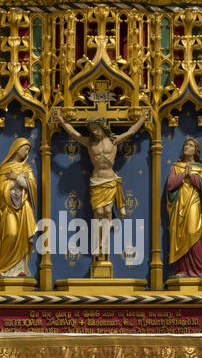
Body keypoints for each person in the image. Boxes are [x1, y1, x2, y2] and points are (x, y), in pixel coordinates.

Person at [51, 108, 148, 258]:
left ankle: (105, 244)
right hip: (96, 180)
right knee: (99, 212)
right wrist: (60, 119)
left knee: (108, 212)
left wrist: (142, 119)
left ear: (103, 128)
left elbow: (130, 132)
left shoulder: (113, 140)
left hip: (109, 179)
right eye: (92, 130)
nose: (95, 132)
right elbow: (73, 133)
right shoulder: (89, 143)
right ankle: (97, 243)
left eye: (96, 129)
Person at [0, 137, 37, 279]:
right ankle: (2, 268)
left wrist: (16, 178)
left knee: (23, 237)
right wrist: (16, 180)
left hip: (24, 207)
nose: (26, 152)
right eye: (25, 149)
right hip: (8, 208)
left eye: (28, 151)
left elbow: (31, 187)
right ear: (17, 148)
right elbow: (1, 188)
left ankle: (20, 268)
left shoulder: (27, 168)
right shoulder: (5, 168)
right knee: (11, 234)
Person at [165, 137, 202, 277]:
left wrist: (193, 176)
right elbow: (170, 185)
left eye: (190, 145)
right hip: (179, 204)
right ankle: (181, 270)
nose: (186, 147)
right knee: (180, 235)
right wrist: (184, 175)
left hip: (194, 203)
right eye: (185, 144)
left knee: (193, 232)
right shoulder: (176, 167)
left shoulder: (200, 169)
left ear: (195, 150)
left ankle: (199, 268)